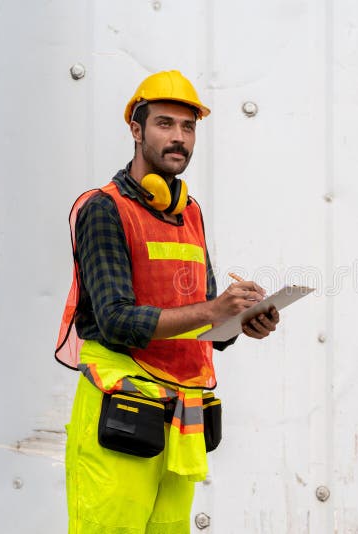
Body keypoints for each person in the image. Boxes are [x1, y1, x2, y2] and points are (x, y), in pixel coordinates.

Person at [55, 69, 280, 534]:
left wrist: (240, 322)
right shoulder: (104, 209)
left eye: (188, 126)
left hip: (179, 418)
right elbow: (115, 320)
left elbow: (204, 321)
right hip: (120, 416)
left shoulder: (190, 212)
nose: (179, 138)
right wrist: (213, 310)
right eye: (164, 124)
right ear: (135, 130)